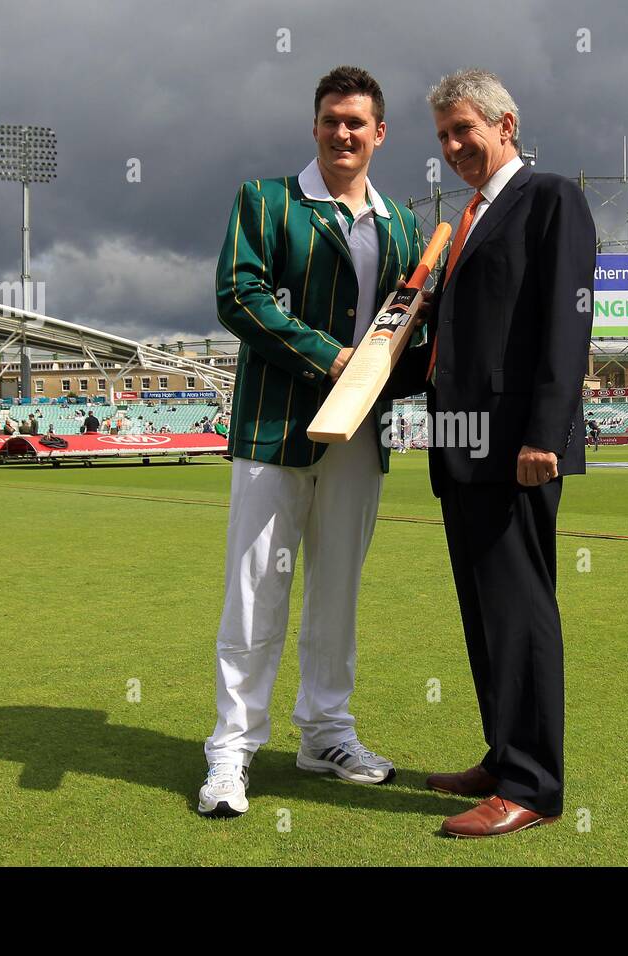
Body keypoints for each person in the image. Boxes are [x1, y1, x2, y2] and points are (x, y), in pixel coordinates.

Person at [198, 65, 427, 820]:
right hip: (274, 426)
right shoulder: (266, 200)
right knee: (256, 590)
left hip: (361, 433)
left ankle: (326, 732)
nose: (342, 133)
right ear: (316, 124)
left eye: (357, 122)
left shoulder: (400, 223)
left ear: (380, 132)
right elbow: (239, 294)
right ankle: (232, 750)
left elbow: (409, 326)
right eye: (331, 119)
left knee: (338, 593)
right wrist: (330, 357)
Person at [383, 69, 596, 838]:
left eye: (462, 130)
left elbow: (566, 324)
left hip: (515, 445)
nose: (451, 147)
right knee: (483, 611)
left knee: (519, 608)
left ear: (505, 123)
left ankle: (534, 785)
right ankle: (504, 756)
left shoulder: (549, 200)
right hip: (459, 442)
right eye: (441, 136)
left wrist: (545, 431)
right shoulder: (467, 218)